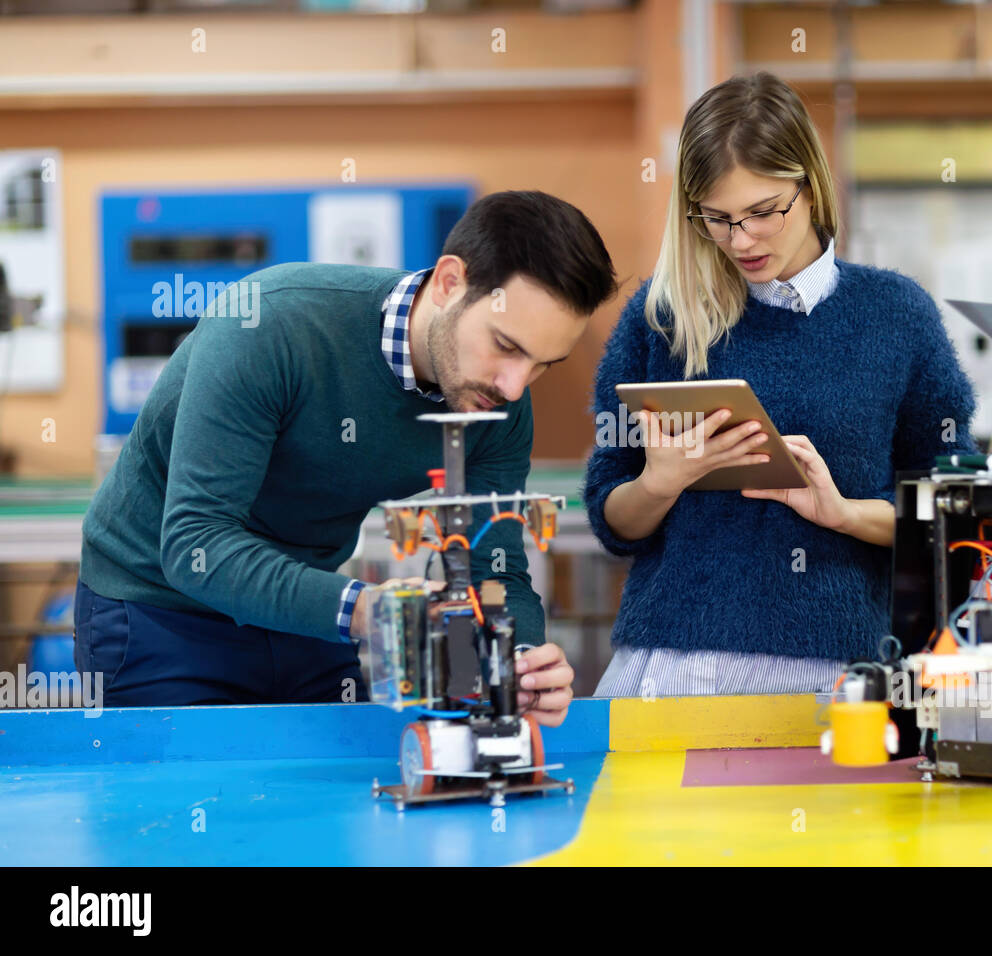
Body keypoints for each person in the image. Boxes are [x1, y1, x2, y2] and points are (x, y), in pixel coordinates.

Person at [76, 190, 617, 721]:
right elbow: (198, 543)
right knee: (188, 801)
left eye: (544, 363)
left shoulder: (495, 402)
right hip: (159, 608)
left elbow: (490, 563)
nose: (517, 386)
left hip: (303, 610)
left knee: (341, 799)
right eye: (507, 345)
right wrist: (367, 609)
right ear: (451, 282)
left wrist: (517, 661)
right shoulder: (271, 325)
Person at [583, 72, 977, 697]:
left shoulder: (895, 314)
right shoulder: (661, 317)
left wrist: (844, 514)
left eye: (763, 212)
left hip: (829, 675)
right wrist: (659, 485)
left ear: (810, 187)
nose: (742, 240)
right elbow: (612, 518)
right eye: (717, 219)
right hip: (666, 665)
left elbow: (952, 507)